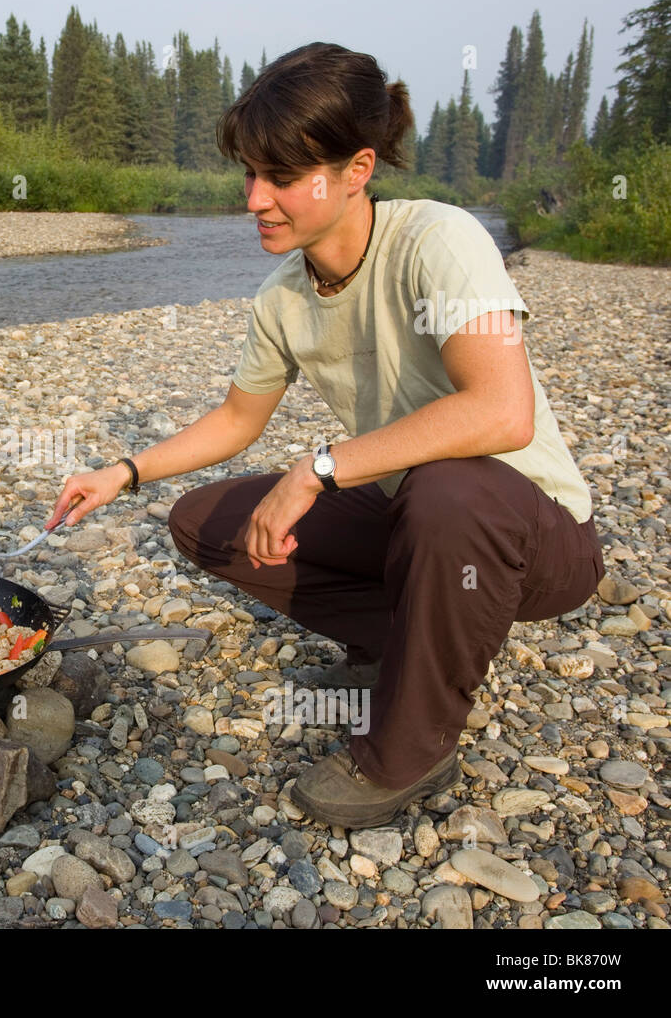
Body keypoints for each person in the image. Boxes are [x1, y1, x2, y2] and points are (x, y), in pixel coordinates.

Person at [44, 42, 604, 828]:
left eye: (280, 177)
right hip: (417, 516)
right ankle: (413, 649)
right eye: (248, 173)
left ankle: (409, 749)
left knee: (446, 488)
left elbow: (499, 413)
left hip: (535, 535)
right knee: (207, 523)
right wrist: (123, 471)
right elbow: (238, 420)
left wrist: (316, 469)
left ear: (357, 169)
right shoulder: (283, 296)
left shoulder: (436, 241)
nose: (254, 200)